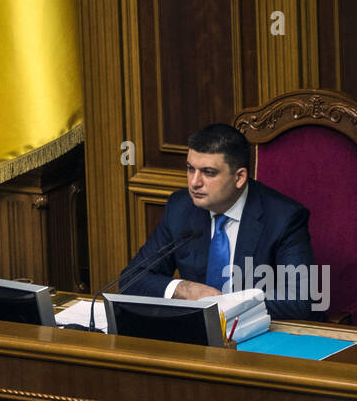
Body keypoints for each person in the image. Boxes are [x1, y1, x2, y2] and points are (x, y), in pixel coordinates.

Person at [120, 123, 321, 321]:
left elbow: (300, 299)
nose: (194, 182)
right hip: (198, 334)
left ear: (239, 177)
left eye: (208, 172)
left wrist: (226, 303)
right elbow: (132, 279)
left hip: (259, 334)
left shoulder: (283, 217)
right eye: (191, 169)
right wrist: (183, 289)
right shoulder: (180, 208)